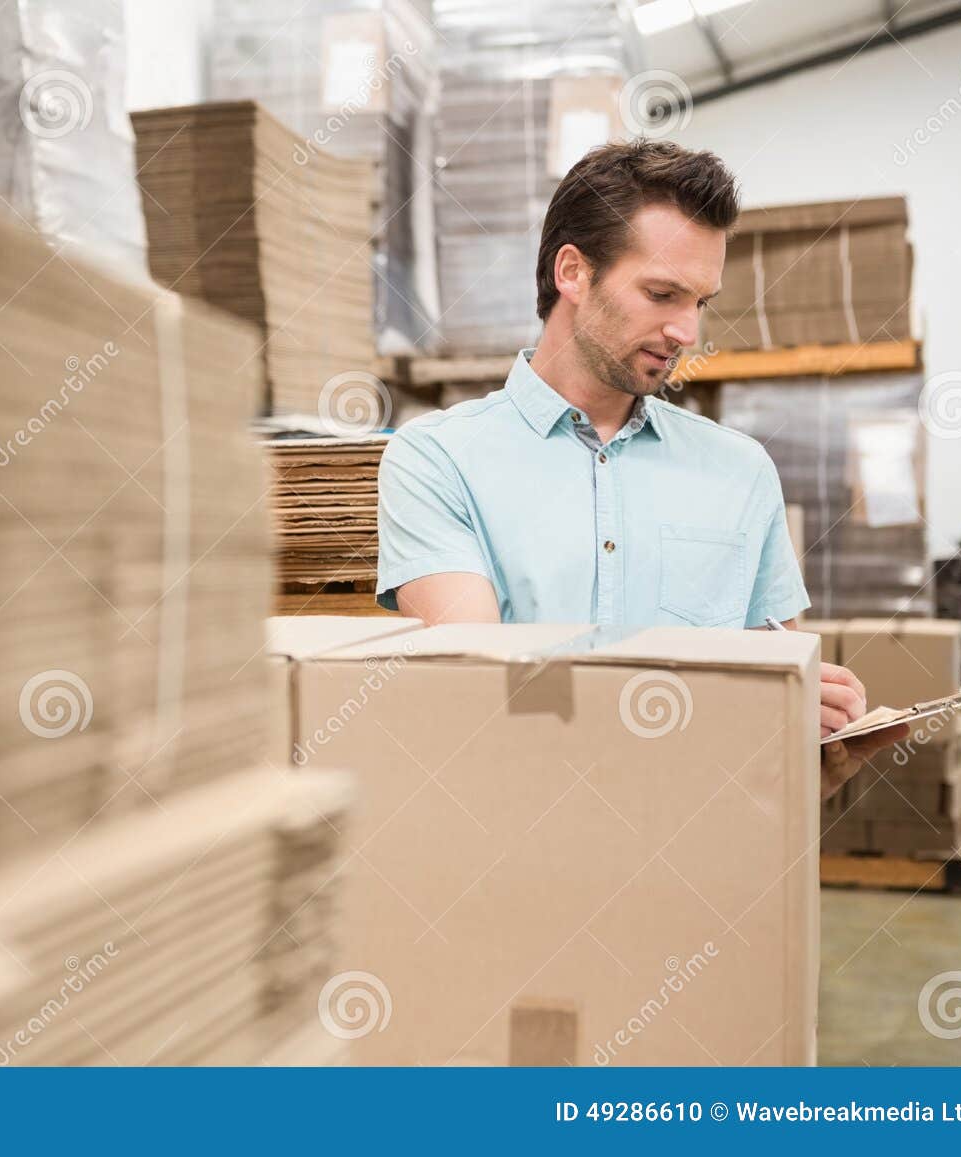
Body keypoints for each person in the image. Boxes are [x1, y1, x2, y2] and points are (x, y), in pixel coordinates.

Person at [375, 138, 903, 797]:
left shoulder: (741, 472)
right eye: (662, 293)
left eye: (701, 303)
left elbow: (778, 720)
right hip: (514, 858)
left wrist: (813, 738)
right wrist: (727, 706)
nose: (687, 331)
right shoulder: (436, 460)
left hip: (705, 863)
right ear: (573, 272)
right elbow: (479, 696)